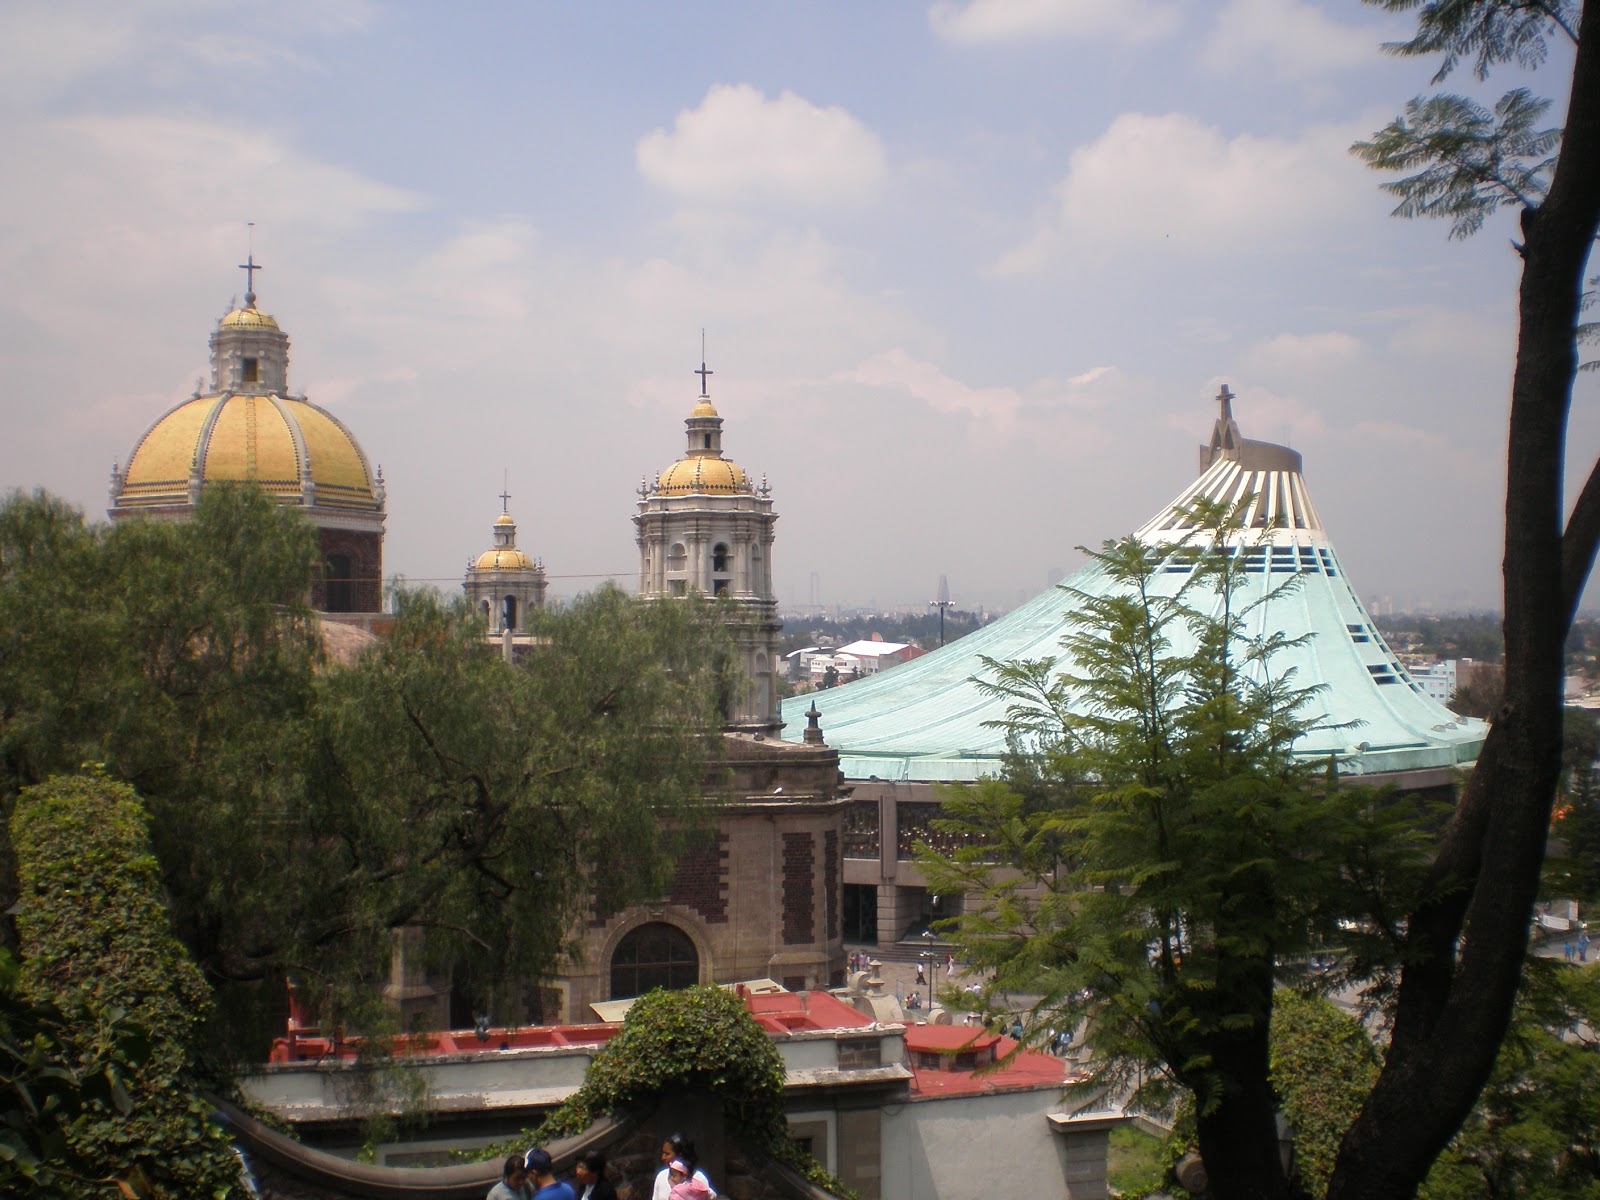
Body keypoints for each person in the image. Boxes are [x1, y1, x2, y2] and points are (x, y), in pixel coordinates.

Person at [652, 1135, 715, 1200]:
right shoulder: (661, 1176)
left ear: (680, 1155)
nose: (663, 1157)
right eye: (663, 1153)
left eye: (667, 1154)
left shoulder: (699, 1179)